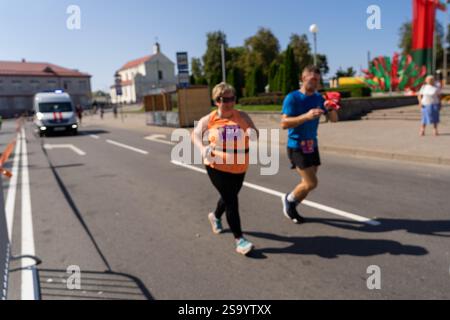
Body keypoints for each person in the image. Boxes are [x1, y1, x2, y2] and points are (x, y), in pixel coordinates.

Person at [192, 82, 259, 256]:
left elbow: (255, 133)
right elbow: (195, 134)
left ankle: (215, 216)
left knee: (229, 196)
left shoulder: (242, 116)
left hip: (239, 166)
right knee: (231, 199)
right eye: (225, 99)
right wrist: (201, 148)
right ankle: (240, 240)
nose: (229, 102)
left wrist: (253, 133)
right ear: (217, 101)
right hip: (216, 165)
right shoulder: (210, 118)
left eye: (232, 98)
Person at [281, 65, 339, 224]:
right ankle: (289, 199)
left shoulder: (319, 98)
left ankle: (293, 205)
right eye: (312, 79)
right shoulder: (292, 98)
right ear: (303, 78)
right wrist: (306, 116)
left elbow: (334, 120)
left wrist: (331, 108)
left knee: (308, 183)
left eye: (318, 80)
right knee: (311, 183)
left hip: (312, 144)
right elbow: (284, 123)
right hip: (297, 145)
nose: (315, 83)